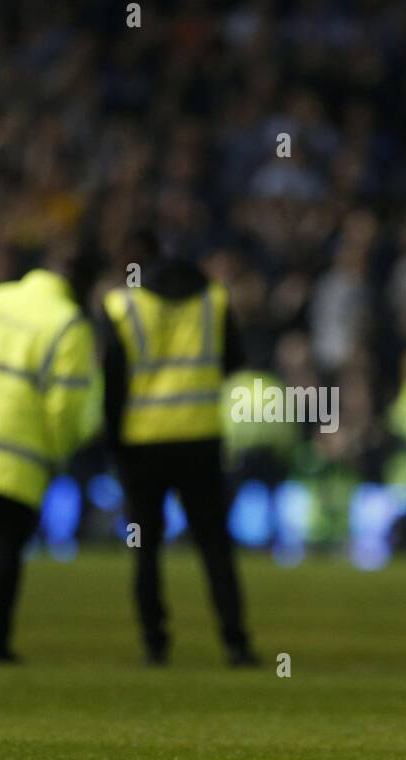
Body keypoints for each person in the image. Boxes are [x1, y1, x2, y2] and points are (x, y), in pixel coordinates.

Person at [101, 234, 259, 667]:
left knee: (145, 549)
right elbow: (235, 363)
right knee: (215, 547)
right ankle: (236, 643)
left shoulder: (123, 306)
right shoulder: (213, 300)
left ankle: (155, 645)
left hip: (142, 442)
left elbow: (112, 384)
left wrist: (112, 445)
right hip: (200, 438)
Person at [0, 268, 97, 661]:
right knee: (8, 541)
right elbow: (66, 402)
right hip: (21, 445)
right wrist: (57, 449)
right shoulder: (68, 322)